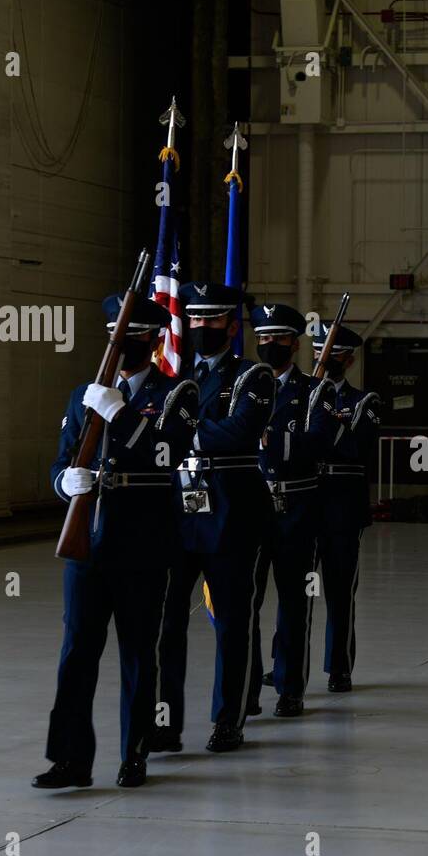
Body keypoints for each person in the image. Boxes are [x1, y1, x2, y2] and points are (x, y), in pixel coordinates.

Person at [35, 294, 198, 789]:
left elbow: (168, 454)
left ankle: (135, 753)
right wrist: (65, 483)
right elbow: (62, 459)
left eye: (128, 333)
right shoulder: (85, 394)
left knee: (136, 654)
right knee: (77, 652)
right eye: (112, 333)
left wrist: (122, 415)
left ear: (151, 341)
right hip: (88, 541)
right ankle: (70, 759)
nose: (118, 341)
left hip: (143, 544)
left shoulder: (177, 393)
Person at [153, 282, 275, 755]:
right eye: (196, 319)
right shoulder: (174, 377)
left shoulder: (253, 377)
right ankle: (166, 721)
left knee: (231, 622)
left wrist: (182, 433)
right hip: (178, 515)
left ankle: (229, 719)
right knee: (167, 625)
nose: (203, 327)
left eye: (212, 320)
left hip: (232, 514)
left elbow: (240, 433)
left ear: (230, 324)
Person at [252, 302, 340, 717]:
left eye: (278, 338)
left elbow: (321, 440)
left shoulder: (314, 391)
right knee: (241, 603)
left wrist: (269, 440)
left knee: (293, 600)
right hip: (249, 506)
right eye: (263, 338)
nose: (270, 344)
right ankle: (246, 686)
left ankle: (290, 688)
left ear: (294, 342)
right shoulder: (241, 386)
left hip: (297, 506)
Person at [310, 323, 382, 693]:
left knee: (339, 591)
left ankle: (339, 666)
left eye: (332, 354)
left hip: (342, 507)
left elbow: (354, 447)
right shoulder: (297, 395)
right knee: (297, 593)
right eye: (319, 351)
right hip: (304, 502)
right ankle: (287, 664)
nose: (323, 359)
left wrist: (318, 413)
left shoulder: (363, 402)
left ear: (349, 360)